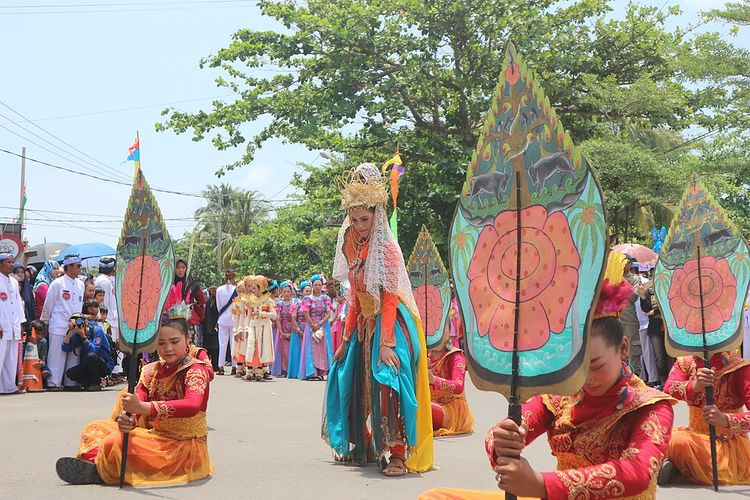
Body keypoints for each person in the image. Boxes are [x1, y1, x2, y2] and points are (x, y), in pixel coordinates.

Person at [420, 252, 676, 499]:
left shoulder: (650, 406)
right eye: (576, 366)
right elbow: (513, 428)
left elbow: (638, 472)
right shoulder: (561, 394)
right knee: (435, 497)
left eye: (595, 365)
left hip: (552, 492)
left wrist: (541, 484)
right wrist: (504, 440)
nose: (585, 377)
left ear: (622, 348)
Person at [325, 163, 433, 475]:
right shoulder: (350, 243)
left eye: (365, 219)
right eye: (354, 219)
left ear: (377, 215)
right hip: (364, 322)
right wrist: (345, 340)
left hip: (391, 321)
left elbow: (388, 297)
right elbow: (356, 298)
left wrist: (387, 343)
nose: (359, 225)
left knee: (389, 378)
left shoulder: (386, 248)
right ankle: (366, 443)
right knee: (349, 374)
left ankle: (398, 452)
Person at [55, 301, 214, 486]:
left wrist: (143, 408)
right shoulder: (150, 370)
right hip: (155, 434)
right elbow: (138, 398)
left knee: (115, 442)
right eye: (161, 343)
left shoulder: (195, 370)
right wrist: (128, 416)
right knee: (95, 428)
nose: (168, 348)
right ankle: (103, 465)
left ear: (187, 339)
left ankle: (102, 468)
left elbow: (192, 405)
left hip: (183, 447)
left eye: (174, 342)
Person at [659, 350, 750, 486]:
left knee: (675, 442)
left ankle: (681, 467)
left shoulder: (739, 367)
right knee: (658, 437)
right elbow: (668, 389)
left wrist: (725, 420)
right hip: (693, 437)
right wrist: (694, 386)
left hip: (728, 446)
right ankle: (683, 466)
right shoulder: (686, 363)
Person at [41, 254, 85, 389]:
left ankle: (70, 383)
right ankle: (54, 383)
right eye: (77, 266)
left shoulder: (81, 284)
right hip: (59, 325)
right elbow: (48, 305)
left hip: (76, 327)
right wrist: (46, 322)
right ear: (69, 267)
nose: (80, 268)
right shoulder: (57, 283)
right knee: (56, 357)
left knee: (73, 357)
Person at [428, 336, 474, 437]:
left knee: (422, 407)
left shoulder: (456, 356)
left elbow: (458, 386)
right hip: (432, 403)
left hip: (452, 411)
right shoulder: (426, 355)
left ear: (449, 331)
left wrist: (434, 380)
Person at [62, 312, 114, 391]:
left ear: (86, 322)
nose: (80, 326)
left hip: (104, 364)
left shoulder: (97, 330)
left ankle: (96, 383)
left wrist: (83, 337)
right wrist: (70, 330)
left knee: (91, 356)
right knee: (70, 373)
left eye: (81, 323)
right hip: (89, 364)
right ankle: (87, 384)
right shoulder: (78, 334)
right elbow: (66, 348)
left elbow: (94, 350)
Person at [0, 253, 26, 394]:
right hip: (2, 325)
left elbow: (17, 305)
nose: (11, 264)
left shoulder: (14, 282)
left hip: (13, 325)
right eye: (8, 262)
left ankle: (9, 387)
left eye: (12, 262)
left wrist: (20, 323)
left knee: (10, 359)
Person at [299, 274, 332, 381]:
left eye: (319, 285)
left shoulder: (325, 298)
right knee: (312, 349)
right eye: (315, 285)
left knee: (323, 349)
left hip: (323, 326)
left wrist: (320, 323)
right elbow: (306, 313)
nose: (318, 287)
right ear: (312, 286)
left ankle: (322, 371)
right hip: (311, 326)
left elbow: (328, 314)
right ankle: (312, 372)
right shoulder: (308, 298)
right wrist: (313, 324)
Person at [244, 275, 277, 381]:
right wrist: (246, 328)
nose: (252, 290)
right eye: (251, 288)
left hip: (264, 327)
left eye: (254, 288)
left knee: (262, 349)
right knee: (251, 348)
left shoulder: (267, 300)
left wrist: (261, 313)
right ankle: (249, 371)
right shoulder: (250, 300)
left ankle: (260, 372)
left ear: (261, 288)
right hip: (253, 326)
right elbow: (248, 315)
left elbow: (274, 314)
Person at [271, 281, 301, 378]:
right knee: (282, 350)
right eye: (284, 291)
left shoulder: (296, 302)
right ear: (281, 292)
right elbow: (278, 319)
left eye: (288, 291)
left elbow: (297, 318)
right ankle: (283, 369)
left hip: (293, 328)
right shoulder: (279, 303)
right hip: (282, 327)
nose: (286, 294)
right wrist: (281, 332)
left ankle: (292, 369)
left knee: (293, 349)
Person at [173, 259, 205, 346]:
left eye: (183, 267)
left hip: (190, 321)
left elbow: (201, 302)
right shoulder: (169, 284)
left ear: (187, 269)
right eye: (178, 268)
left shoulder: (193, 285)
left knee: (192, 348)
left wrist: (198, 315)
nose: (180, 270)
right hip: (172, 320)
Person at [215, 271, 237, 375]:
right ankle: (234, 366)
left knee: (222, 344)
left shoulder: (219, 289)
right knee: (234, 344)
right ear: (233, 278)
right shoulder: (236, 290)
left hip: (222, 318)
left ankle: (221, 366)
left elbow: (218, 306)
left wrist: (223, 313)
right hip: (233, 318)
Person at [203, 286, 220, 373]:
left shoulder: (206, 302)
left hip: (207, 329)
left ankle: (206, 365)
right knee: (215, 349)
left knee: (207, 349)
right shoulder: (218, 303)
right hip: (215, 328)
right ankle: (215, 366)